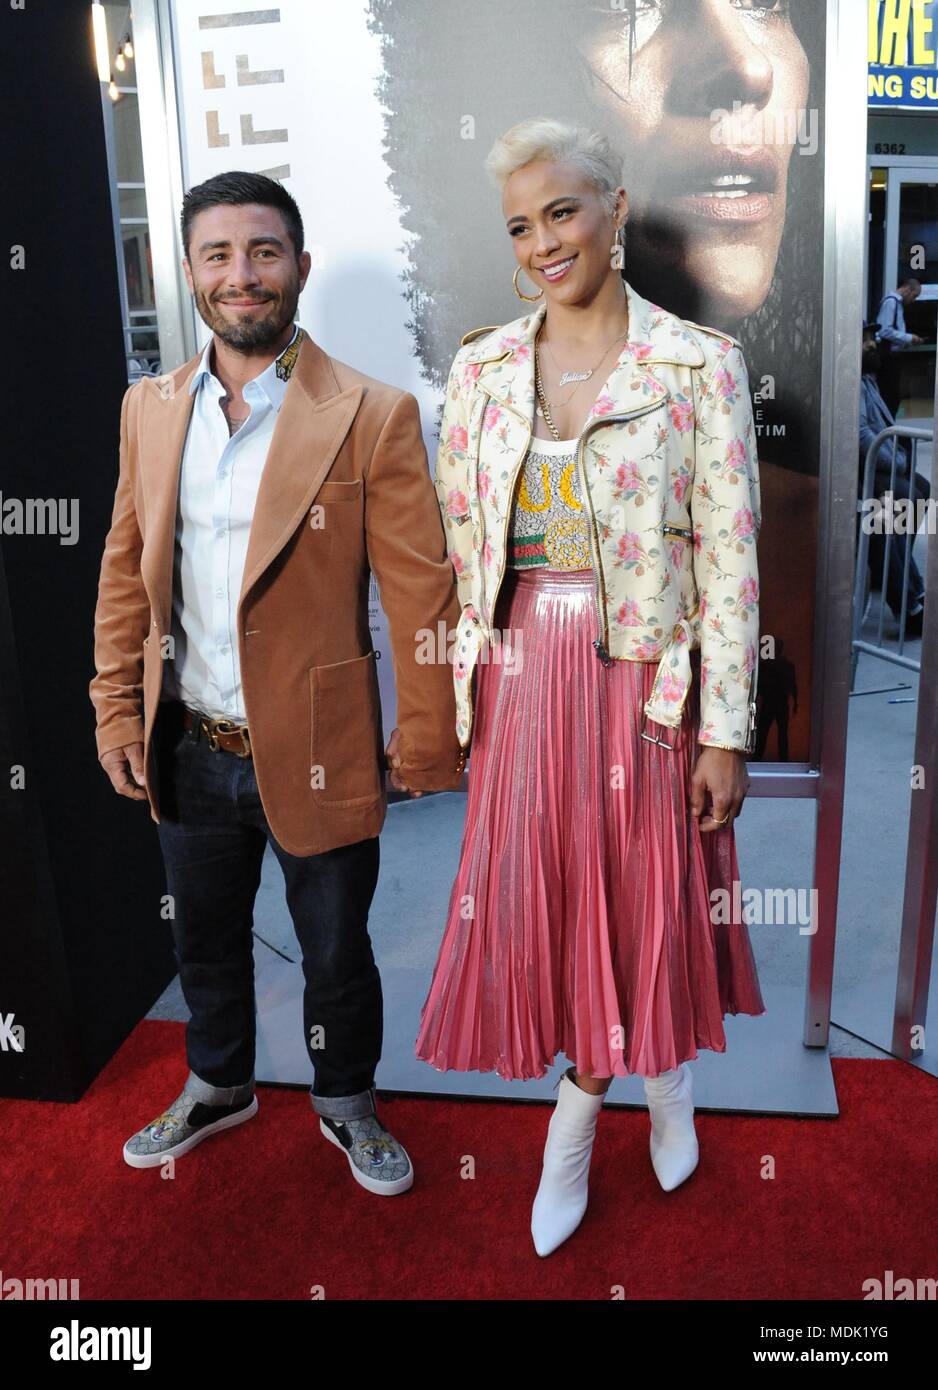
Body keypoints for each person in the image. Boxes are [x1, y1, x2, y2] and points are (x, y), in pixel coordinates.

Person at [416, 119, 765, 1256]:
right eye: (519, 225)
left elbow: (728, 562)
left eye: (561, 211)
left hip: (643, 687)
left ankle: (578, 1117)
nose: (541, 241)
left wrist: (725, 732)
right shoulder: (476, 369)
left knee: (644, 893)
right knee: (559, 901)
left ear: (614, 209)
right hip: (520, 678)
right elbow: (459, 552)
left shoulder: (697, 366)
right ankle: (658, 1073)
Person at [90, 171, 465, 1194]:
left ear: (297, 268)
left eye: (263, 252)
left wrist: (426, 736)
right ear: (189, 273)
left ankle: (346, 1101)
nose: (241, 275)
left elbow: (419, 591)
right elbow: (126, 571)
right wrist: (115, 708)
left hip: (320, 741)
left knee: (335, 949)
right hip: (187, 740)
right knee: (205, 943)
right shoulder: (147, 409)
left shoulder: (373, 414)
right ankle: (218, 1084)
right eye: (218, 254)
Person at [859, 322, 929, 636]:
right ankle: (907, 602)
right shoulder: (856, 383)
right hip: (869, 475)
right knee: (899, 503)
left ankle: (907, 582)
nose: (872, 344)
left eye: (872, 338)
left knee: (920, 491)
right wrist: (898, 462)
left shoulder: (867, 379)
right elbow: (863, 435)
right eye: (866, 340)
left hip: (882, 471)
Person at [874, 278, 924, 420]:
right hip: (887, 359)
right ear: (907, 289)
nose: (913, 300)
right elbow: (884, 330)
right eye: (914, 295)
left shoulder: (896, 304)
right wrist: (909, 338)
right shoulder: (891, 302)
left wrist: (906, 341)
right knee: (890, 398)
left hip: (891, 357)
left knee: (892, 398)